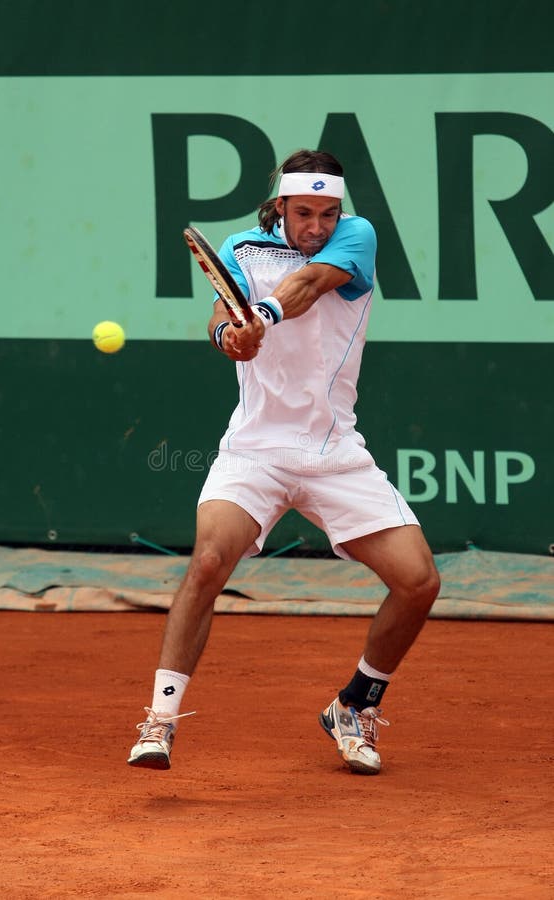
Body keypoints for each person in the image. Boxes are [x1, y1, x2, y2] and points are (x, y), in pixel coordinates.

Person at [128, 149, 440, 775]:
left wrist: (262, 315)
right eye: (305, 213)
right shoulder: (243, 246)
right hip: (256, 450)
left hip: (336, 451)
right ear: (280, 206)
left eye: (328, 212)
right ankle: (159, 721)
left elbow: (307, 287)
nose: (319, 225)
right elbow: (223, 311)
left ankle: (354, 705)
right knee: (210, 560)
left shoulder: (356, 235)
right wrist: (228, 335)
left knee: (419, 582)